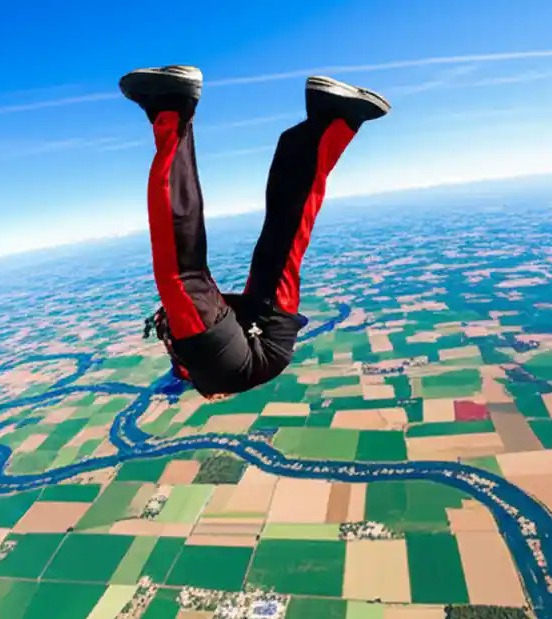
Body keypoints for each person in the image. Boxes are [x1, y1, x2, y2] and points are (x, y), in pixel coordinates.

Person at [123, 65, 390, 398]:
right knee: (183, 273)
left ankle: (334, 118)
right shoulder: (209, 373)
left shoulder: (202, 375)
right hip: (232, 364)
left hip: (273, 346)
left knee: (282, 242)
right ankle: (170, 105)